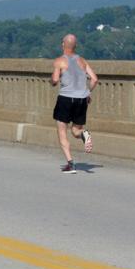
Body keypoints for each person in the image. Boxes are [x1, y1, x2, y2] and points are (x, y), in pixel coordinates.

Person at [51, 34, 98, 173]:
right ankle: (84, 134)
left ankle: (70, 164)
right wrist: (88, 93)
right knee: (76, 131)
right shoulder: (82, 61)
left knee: (62, 131)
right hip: (82, 99)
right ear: (75, 46)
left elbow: (54, 80)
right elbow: (94, 79)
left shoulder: (59, 61)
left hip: (65, 98)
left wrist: (53, 81)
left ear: (62, 45)